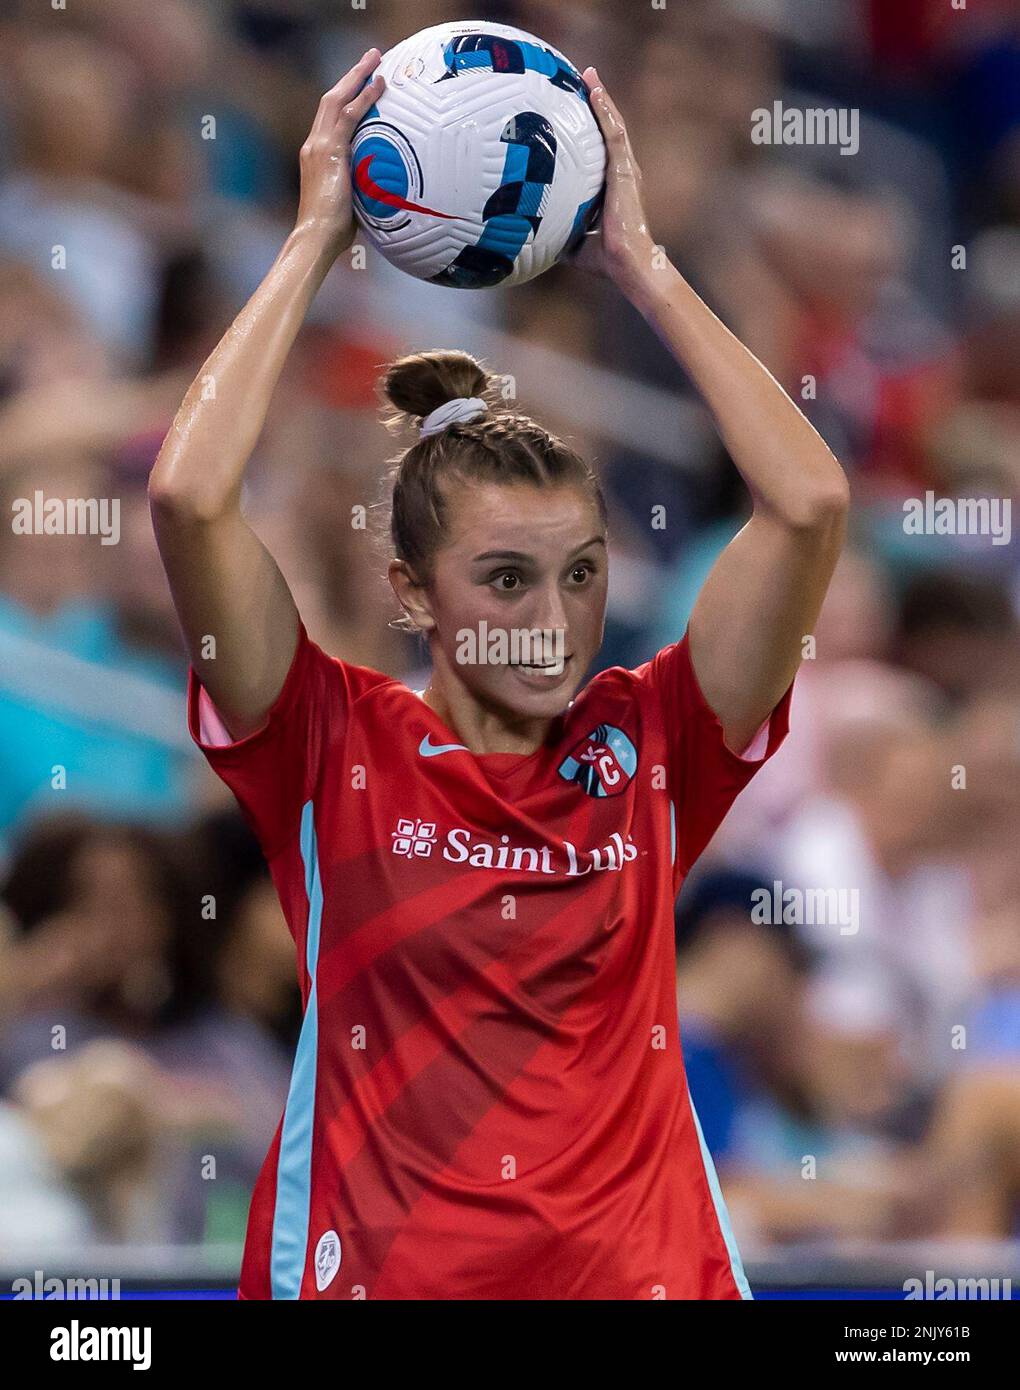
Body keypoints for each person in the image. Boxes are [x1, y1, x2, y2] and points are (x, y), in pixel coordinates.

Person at [148, 49, 848, 1300]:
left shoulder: (656, 740)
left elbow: (807, 501)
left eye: (581, 575)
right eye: (505, 579)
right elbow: (190, 495)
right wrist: (316, 238)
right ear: (411, 592)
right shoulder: (323, 739)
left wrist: (640, 259)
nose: (555, 619)